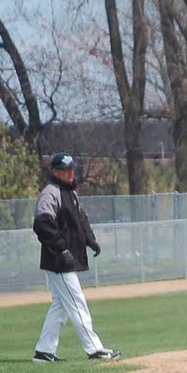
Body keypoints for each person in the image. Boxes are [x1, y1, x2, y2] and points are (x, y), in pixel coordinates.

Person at [32, 152, 120, 362]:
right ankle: (94, 349)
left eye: (71, 169)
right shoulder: (51, 193)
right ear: (55, 172)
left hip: (67, 258)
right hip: (58, 260)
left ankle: (44, 351)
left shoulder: (70, 192)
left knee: (61, 306)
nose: (70, 173)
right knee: (77, 302)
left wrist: (91, 240)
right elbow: (42, 224)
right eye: (65, 169)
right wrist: (62, 249)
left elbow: (81, 219)